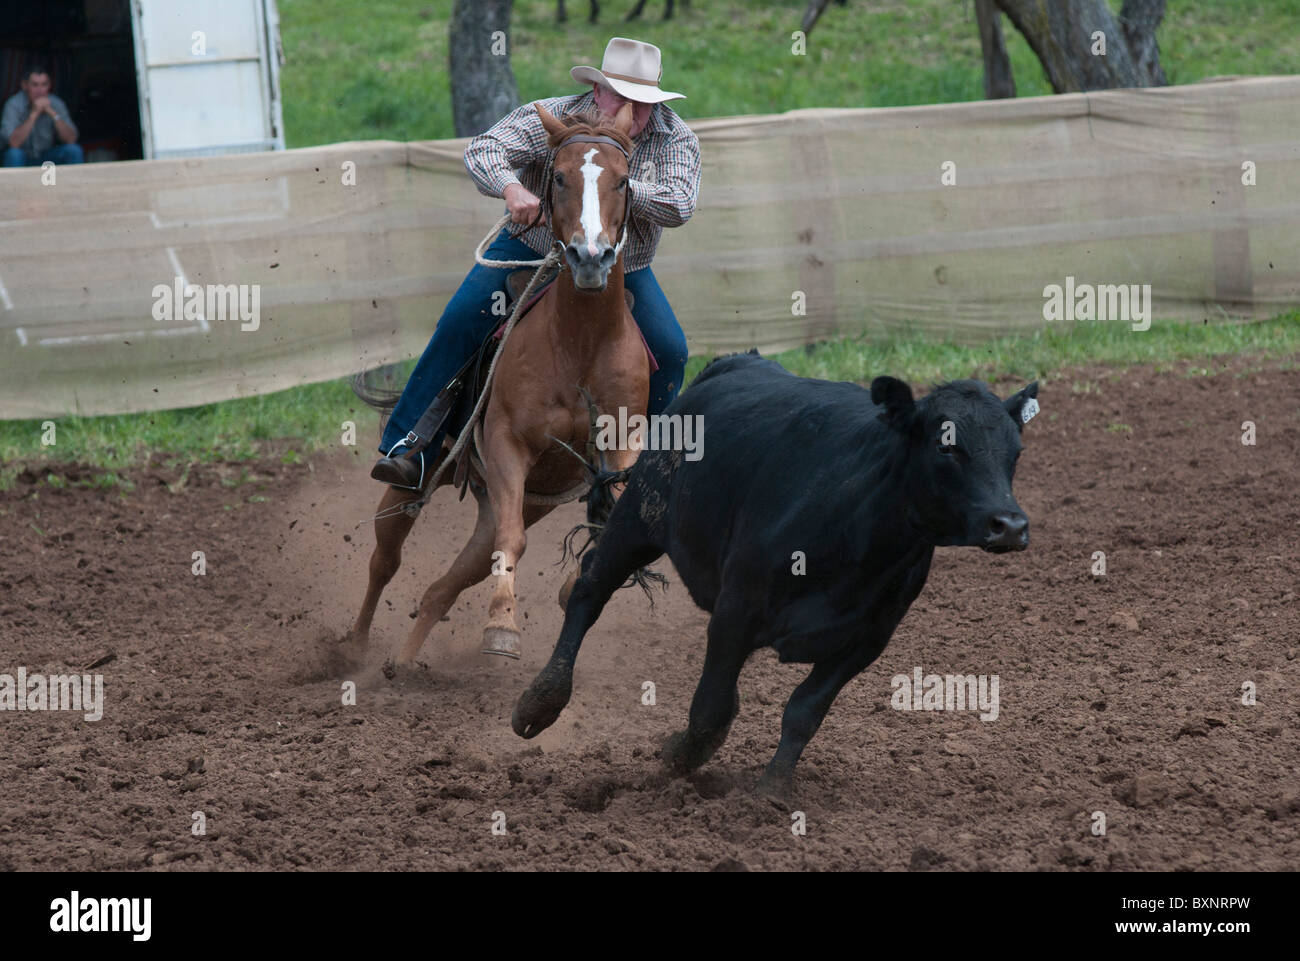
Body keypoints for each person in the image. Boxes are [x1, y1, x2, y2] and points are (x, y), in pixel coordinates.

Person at [371, 36, 701, 489]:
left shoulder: (674, 137)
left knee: (670, 349)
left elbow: (680, 203)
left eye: (642, 102)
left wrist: (614, 183)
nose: (632, 111)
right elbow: (484, 149)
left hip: (620, 265)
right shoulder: (552, 115)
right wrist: (512, 189)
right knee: (463, 319)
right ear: (598, 91)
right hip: (533, 248)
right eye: (621, 98)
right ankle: (410, 447)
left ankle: (652, 477)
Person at [1, 66, 83, 168]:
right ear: (24, 85)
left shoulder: (56, 103)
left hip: (48, 158)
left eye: (44, 84)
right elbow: (13, 143)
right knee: (14, 154)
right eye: (35, 85)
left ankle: (76, 184)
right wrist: (34, 114)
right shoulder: (13, 104)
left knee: (73, 150)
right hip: (23, 158)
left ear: (49, 86)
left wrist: (53, 113)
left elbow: (71, 139)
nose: (40, 90)